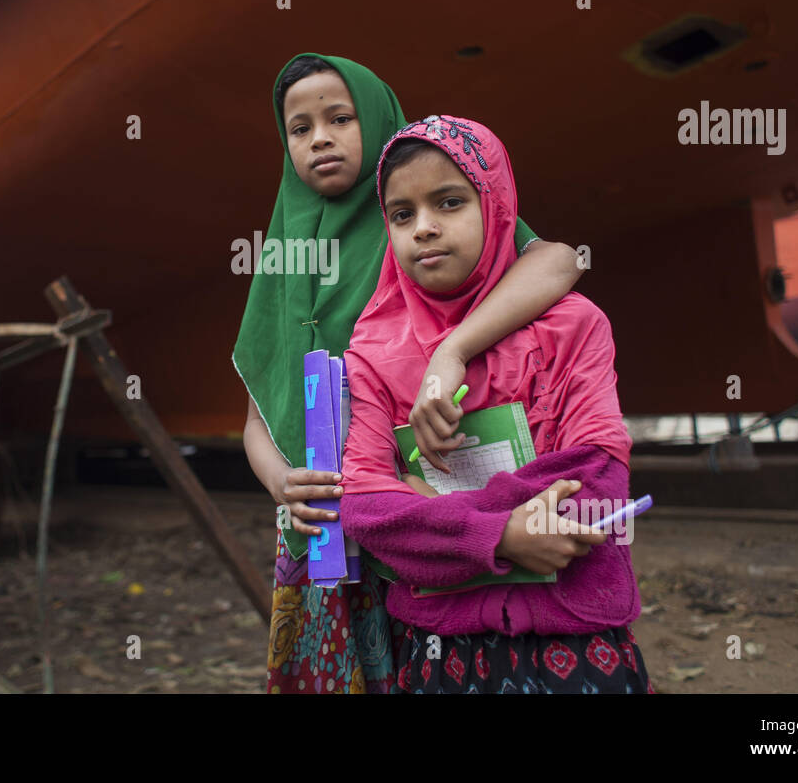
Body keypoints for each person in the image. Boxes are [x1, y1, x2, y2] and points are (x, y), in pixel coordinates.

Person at [234, 56, 586, 693]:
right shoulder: (281, 254)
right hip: (318, 527)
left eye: (340, 118)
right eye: (298, 127)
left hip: (424, 506)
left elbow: (557, 262)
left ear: (375, 118)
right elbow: (258, 414)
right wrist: (283, 483)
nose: (319, 138)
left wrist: (450, 350)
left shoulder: (418, 209)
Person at [340, 115, 654, 693]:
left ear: (497, 206)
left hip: (575, 636)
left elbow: (598, 483)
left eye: (450, 202)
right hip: (438, 648)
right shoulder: (373, 353)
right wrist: (501, 532)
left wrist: (431, 507)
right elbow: (366, 508)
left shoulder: (572, 326)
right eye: (402, 214)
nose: (424, 228)